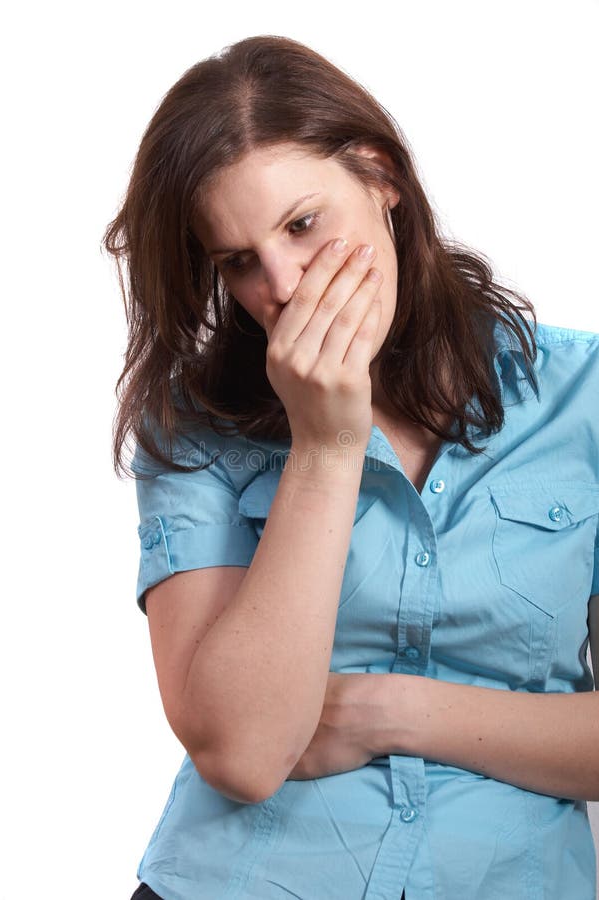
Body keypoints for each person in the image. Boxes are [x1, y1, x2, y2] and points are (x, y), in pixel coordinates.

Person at [103, 34, 599, 900]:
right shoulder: (192, 422)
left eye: (302, 225)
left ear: (380, 178)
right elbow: (245, 753)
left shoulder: (580, 396)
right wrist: (326, 446)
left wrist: (387, 713)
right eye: (239, 262)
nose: (285, 286)